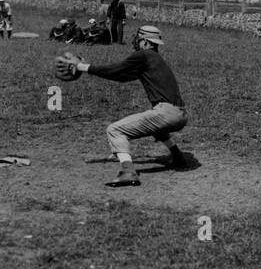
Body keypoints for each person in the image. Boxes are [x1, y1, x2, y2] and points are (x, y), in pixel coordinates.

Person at [61, 24, 192, 187]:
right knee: (157, 126)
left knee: (115, 130)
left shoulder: (143, 55)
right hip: (180, 114)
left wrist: (81, 67)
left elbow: (115, 69)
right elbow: (121, 76)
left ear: (145, 42)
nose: (135, 43)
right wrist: (88, 67)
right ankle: (179, 158)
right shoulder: (154, 59)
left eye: (138, 40)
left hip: (167, 113)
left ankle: (128, 172)